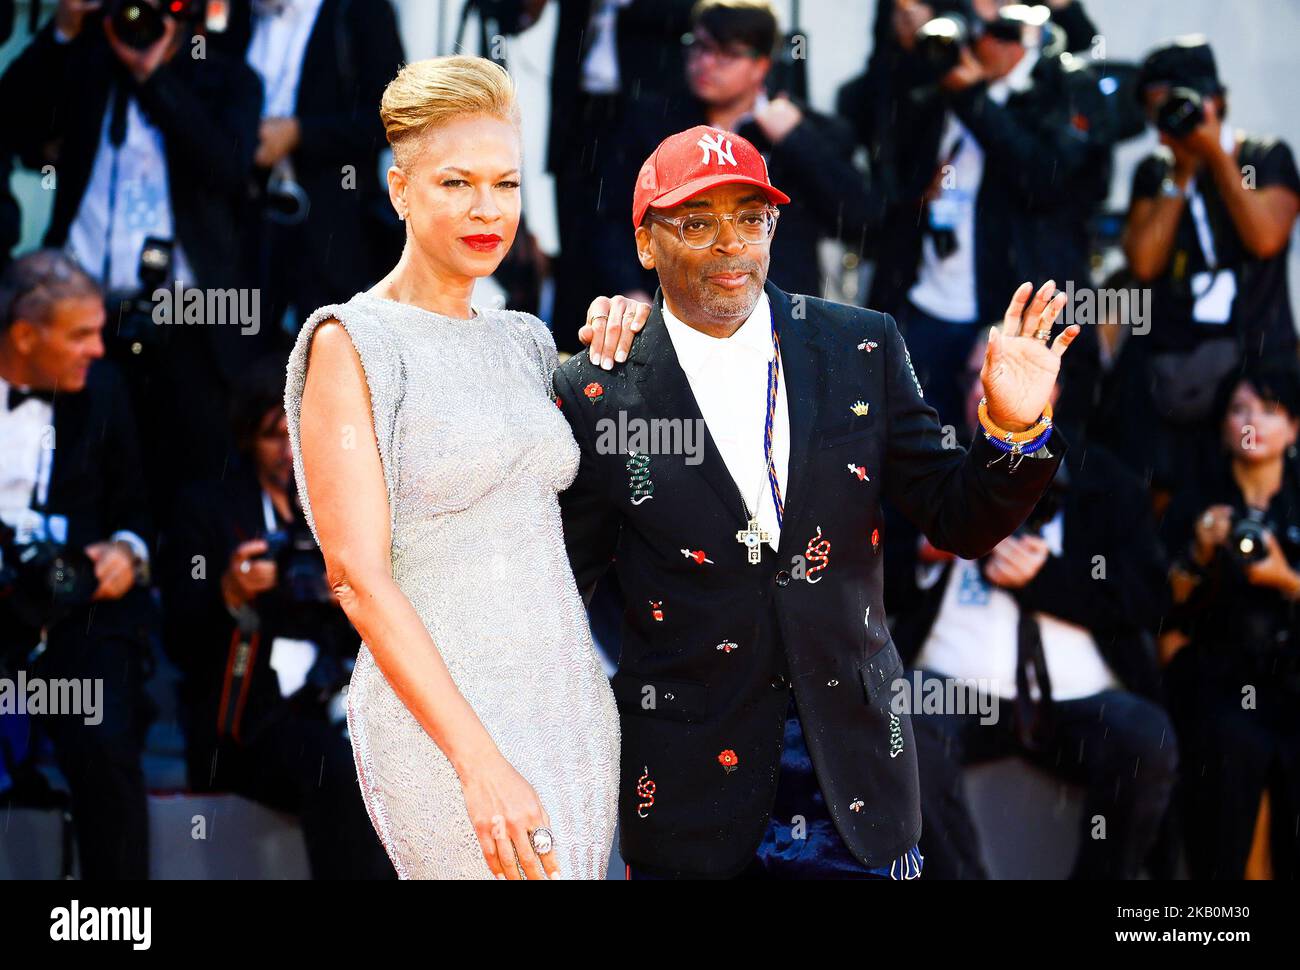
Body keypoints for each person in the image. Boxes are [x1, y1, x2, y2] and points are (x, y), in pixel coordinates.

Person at [554, 125, 1078, 879]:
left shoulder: (860, 346)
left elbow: (960, 517)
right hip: (690, 791)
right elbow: (563, 582)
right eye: (696, 222)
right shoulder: (600, 389)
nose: (730, 243)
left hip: (855, 778)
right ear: (646, 244)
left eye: (750, 217)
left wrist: (1013, 428)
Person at [283, 56, 646, 880]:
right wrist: (477, 762)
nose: (489, 210)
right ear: (399, 189)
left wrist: (630, 329)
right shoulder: (352, 343)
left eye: (506, 184)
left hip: (569, 705)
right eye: (455, 183)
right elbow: (356, 579)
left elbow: (605, 470)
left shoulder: (520, 339)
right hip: (445, 728)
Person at [888, 334, 1176, 879]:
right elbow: (865, 575)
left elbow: (1148, 600)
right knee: (900, 721)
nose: (988, 388)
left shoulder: (1104, 481)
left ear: (1053, 390)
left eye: (1006, 373)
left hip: (1079, 694)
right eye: (977, 375)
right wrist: (936, 546)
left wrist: (1046, 580)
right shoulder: (928, 468)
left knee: (1148, 738)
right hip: (952, 684)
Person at [0, 0, 265, 504]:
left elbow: (226, 169)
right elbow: (15, 122)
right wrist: (64, 30)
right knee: (81, 472)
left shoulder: (228, 79)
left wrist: (154, 78)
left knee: (186, 479)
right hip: (83, 310)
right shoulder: (87, 66)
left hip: (186, 310)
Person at [158, 357, 393, 879]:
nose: (291, 452)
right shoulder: (207, 509)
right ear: (246, 437)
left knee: (392, 760)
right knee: (336, 767)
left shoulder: (342, 502)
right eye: (274, 436)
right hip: (250, 716)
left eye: (300, 432)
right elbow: (179, 637)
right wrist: (230, 594)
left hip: (341, 695)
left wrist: (356, 598)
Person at [838, 0, 1112, 425]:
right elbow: (876, 148)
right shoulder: (934, 85)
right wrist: (909, 48)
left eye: (992, 30)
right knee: (916, 445)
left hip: (1013, 308)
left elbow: (1045, 179)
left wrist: (973, 99)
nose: (975, 41)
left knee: (1011, 452)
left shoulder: (1064, 86)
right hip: (927, 301)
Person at [0, 249, 154, 879]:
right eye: (81, 335)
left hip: (79, 617)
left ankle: (120, 925)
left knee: (105, 745)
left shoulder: (104, 391)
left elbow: (139, 511)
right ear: (24, 336)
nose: (98, 348)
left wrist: (127, 552)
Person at [1103, 36, 1300, 497]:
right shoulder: (1156, 171)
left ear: (1215, 102)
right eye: (1156, 113)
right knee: (1162, 489)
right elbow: (1145, 264)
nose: (1165, 127)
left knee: (1244, 485)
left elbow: (1266, 237)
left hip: (1255, 355)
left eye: (1176, 107)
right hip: (1174, 368)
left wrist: (1217, 156)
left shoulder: (1264, 157)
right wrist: (1182, 174)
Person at [593, 0, 878, 308]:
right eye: (700, 47)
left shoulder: (807, 129)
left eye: (727, 54)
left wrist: (795, 139)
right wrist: (631, 290)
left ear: (763, 64)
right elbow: (611, 216)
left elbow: (859, 216)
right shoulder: (653, 120)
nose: (706, 63)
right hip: (675, 306)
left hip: (776, 310)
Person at [1162, 364, 1300, 879]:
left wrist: (1288, 580)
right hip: (1218, 678)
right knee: (1231, 746)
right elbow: (1160, 609)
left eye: (1270, 410)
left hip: (1290, 676)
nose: (1253, 422)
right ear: (1222, 423)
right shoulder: (1197, 503)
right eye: (1240, 409)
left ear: (1294, 429)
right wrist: (1198, 554)